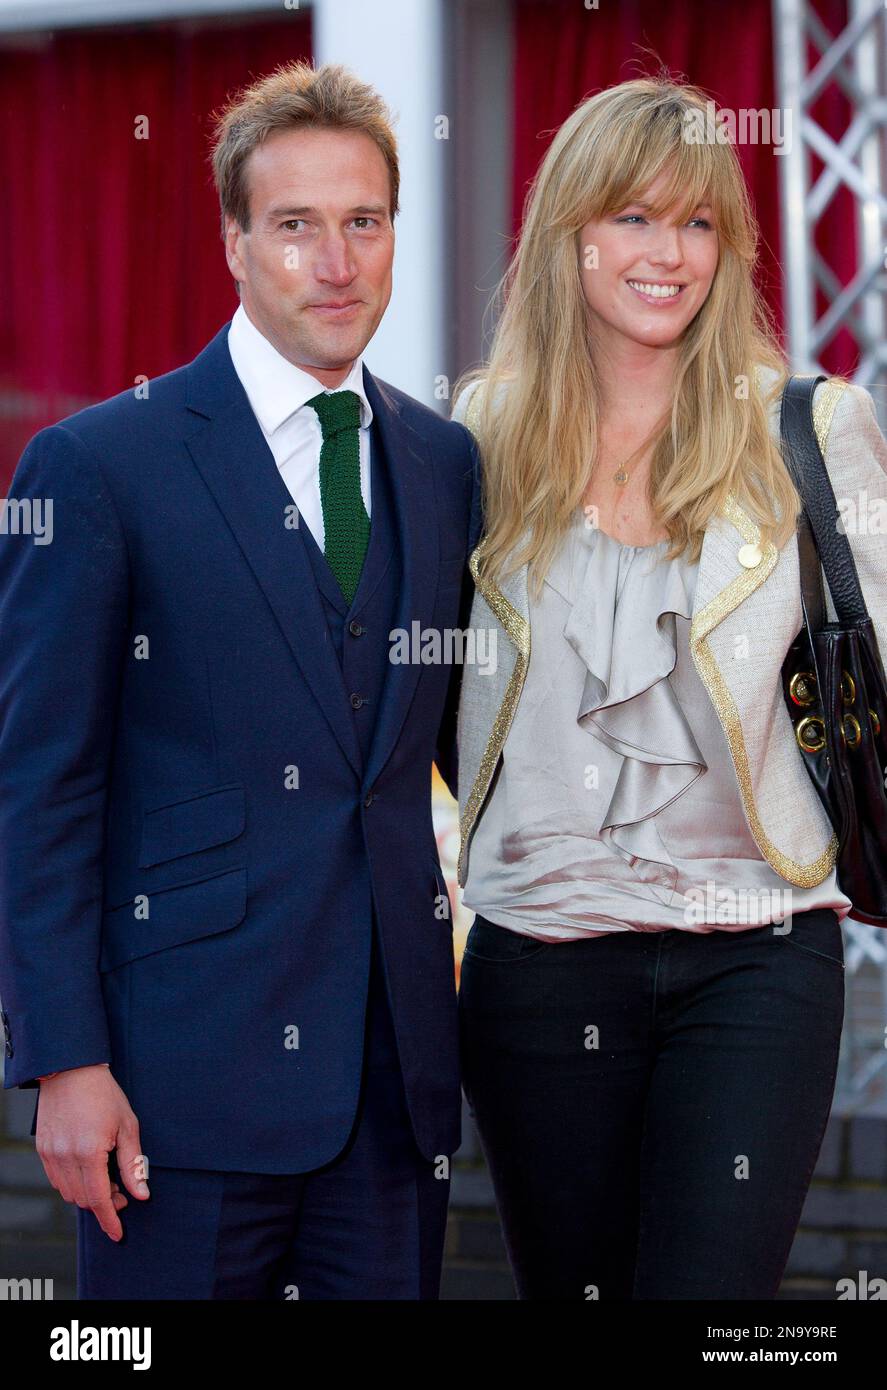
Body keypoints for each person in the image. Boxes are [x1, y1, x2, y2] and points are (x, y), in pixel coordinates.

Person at [0, 61, 480, 1300]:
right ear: (232, 244)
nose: (335, 262)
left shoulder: (442, 462)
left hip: (391, 1089)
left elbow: (458, 745)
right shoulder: (98, 465)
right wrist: (64, 1061)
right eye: (294, 226)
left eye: (362, 222)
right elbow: (39, 789)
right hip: (172, 1095)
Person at [451, 76, 887, 1300]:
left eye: (698, 223)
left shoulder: (807, 428)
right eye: (634, 217)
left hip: (754, 959)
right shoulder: (471, 442)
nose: (667, 253)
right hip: (538, 963)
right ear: (569, 233)